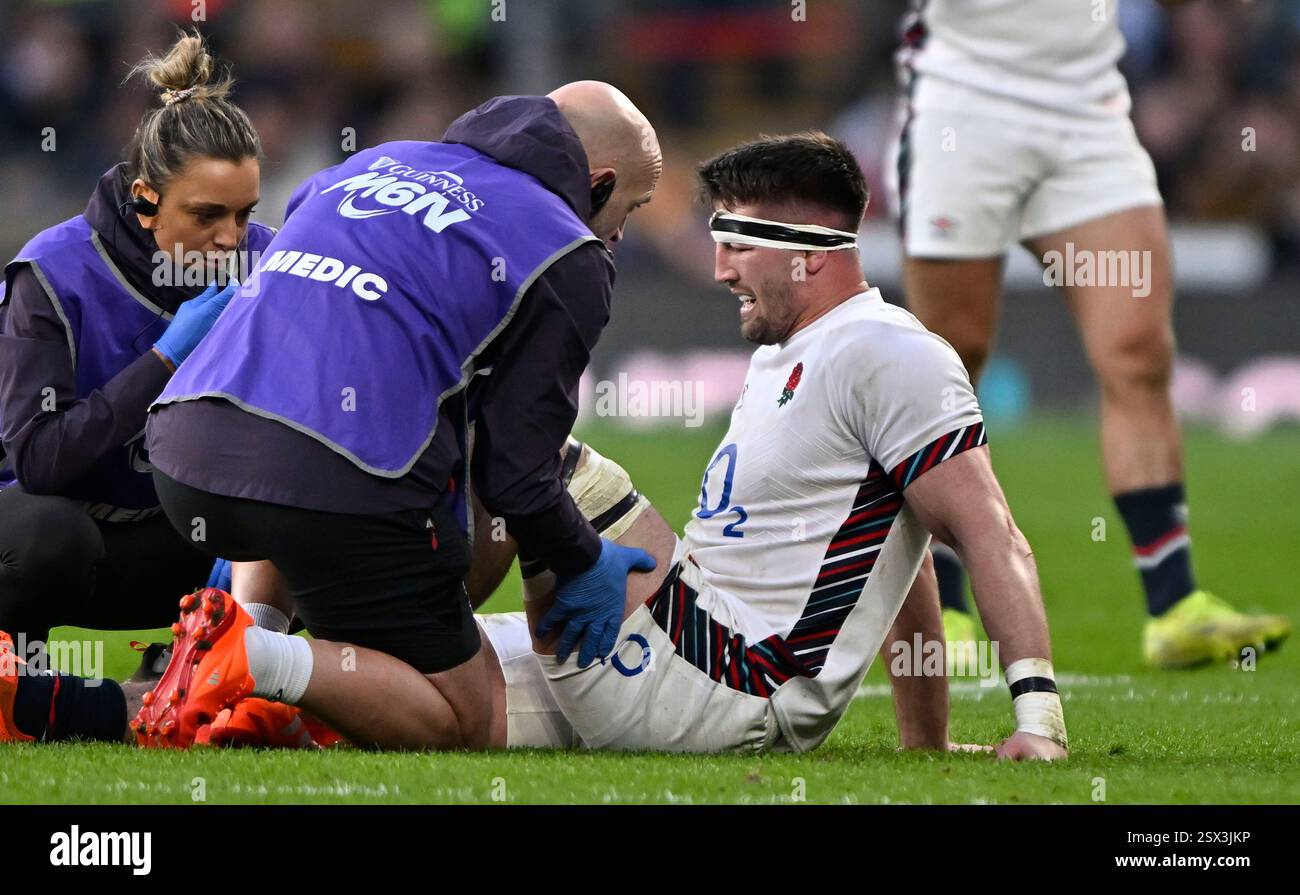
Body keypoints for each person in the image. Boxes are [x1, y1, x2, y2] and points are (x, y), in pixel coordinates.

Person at [138, 133, 1067, 760]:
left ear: (810, 252)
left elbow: (988, 532)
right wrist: (926, 747)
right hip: (677, 646)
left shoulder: (891, 351)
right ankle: (239, 671)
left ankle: (252, 635)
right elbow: (901, 559)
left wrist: (1040, 719)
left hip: (733, 677)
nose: (719, 267)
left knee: (517, 442)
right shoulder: (804, 356)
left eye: (737, 240)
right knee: (448, 707)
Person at [134, 83, 663, 750]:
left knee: (295, 425)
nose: (619, 232)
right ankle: (251, 658)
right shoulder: (569, 250)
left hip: (186, 447)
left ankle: (239, 636)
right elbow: (517, 475)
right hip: (326, 478)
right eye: (629, 208)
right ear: (598, 183)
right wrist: (585, 558)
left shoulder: (371, 161)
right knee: (464, 718)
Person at [885, 0, 1290, 667]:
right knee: (948, 365)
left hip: (1087, 108)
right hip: (964, 104)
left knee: (1139, 348)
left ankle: (1173, 606)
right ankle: (947, 611)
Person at [0, 31, 271, 741]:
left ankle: (188, 669)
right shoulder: (52, 275)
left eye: (243, 214)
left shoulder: (266, 264)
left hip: (175, 537)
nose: (230, 240)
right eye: (206, 216)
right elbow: (38, 461)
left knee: (305, 521)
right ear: (145, 199)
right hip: (60, 535)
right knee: (44, 536)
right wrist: (166, 358)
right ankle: (27, 680)